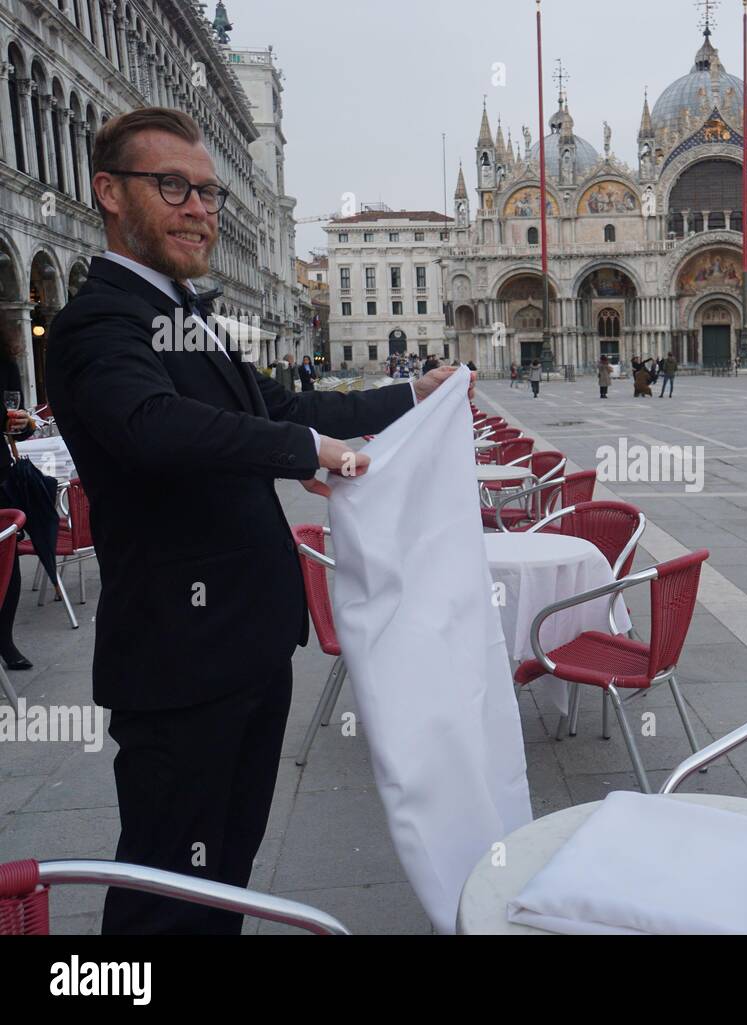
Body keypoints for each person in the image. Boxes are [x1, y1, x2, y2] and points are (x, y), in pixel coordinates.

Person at [44, 107, 471, 935]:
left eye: (207, 193)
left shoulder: (183, 313)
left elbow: (274, 404)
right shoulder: (98, 321)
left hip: (246, 646)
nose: (199, 208)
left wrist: (408, 398)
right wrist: (311, 452)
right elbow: (154, 427)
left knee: (225, 880)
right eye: (173, 187)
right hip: (180, 664)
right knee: (167, 898)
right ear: (109, 192)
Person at [0, 330, 36, 671]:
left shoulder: (5, 359)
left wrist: (24, 423)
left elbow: (17, 421)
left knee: (5, 555)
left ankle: (5, 640)